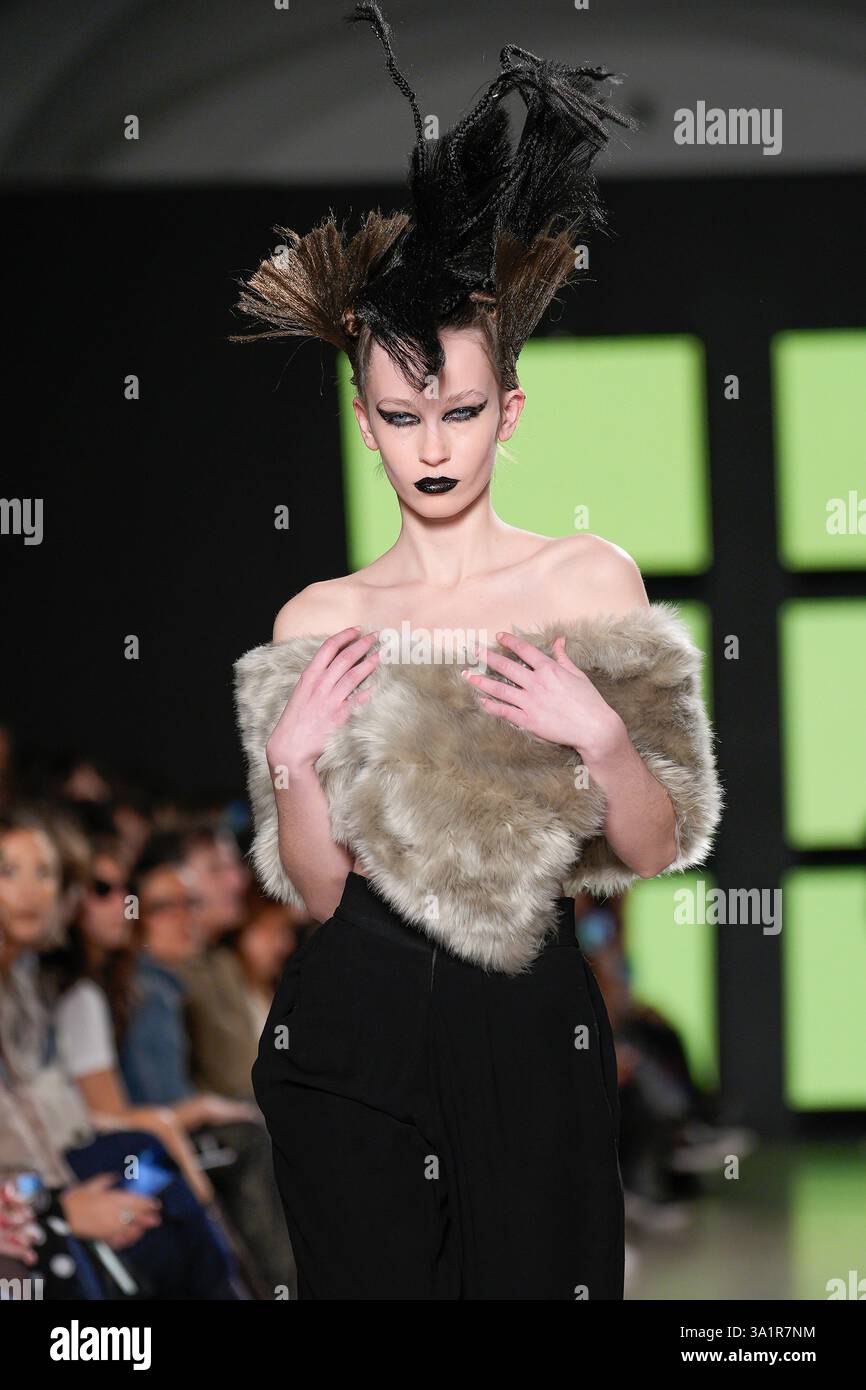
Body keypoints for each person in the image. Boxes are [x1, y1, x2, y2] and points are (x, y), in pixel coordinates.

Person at [231, 2, 724, 1300]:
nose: (432, 444)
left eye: (457, 409)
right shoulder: (315, 619)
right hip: (347, 1026)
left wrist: (602, 736)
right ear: (364, 420)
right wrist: (291, 767)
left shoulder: (583, 575)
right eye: (402, 415)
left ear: (508, 408)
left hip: (524, 1013)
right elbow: (324, 894)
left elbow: (653, 843)